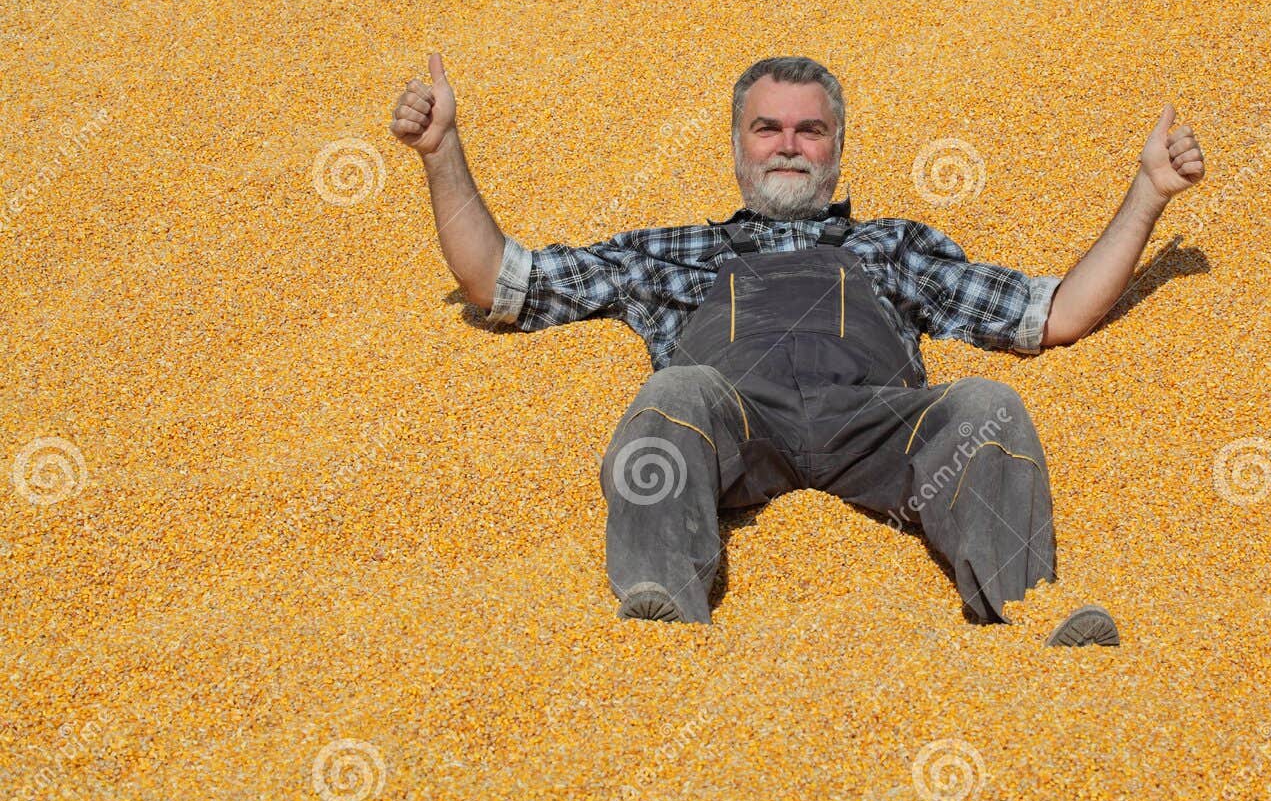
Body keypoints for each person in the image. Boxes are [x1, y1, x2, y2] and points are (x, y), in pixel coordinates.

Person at [388, 54, 1205, 647]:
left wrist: (1147, 196)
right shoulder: (671, 247)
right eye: (767, 127)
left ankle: (1028, 615)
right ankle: (659, 613)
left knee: (988, 404)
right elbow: (503, 283)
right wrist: (443, 154)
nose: (788, 144)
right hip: (735, 425)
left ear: (838, 147)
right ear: (737, 145)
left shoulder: (895, 243)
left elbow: (1052, 311)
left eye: (810, 130)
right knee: (673, 395)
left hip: (877, 426)